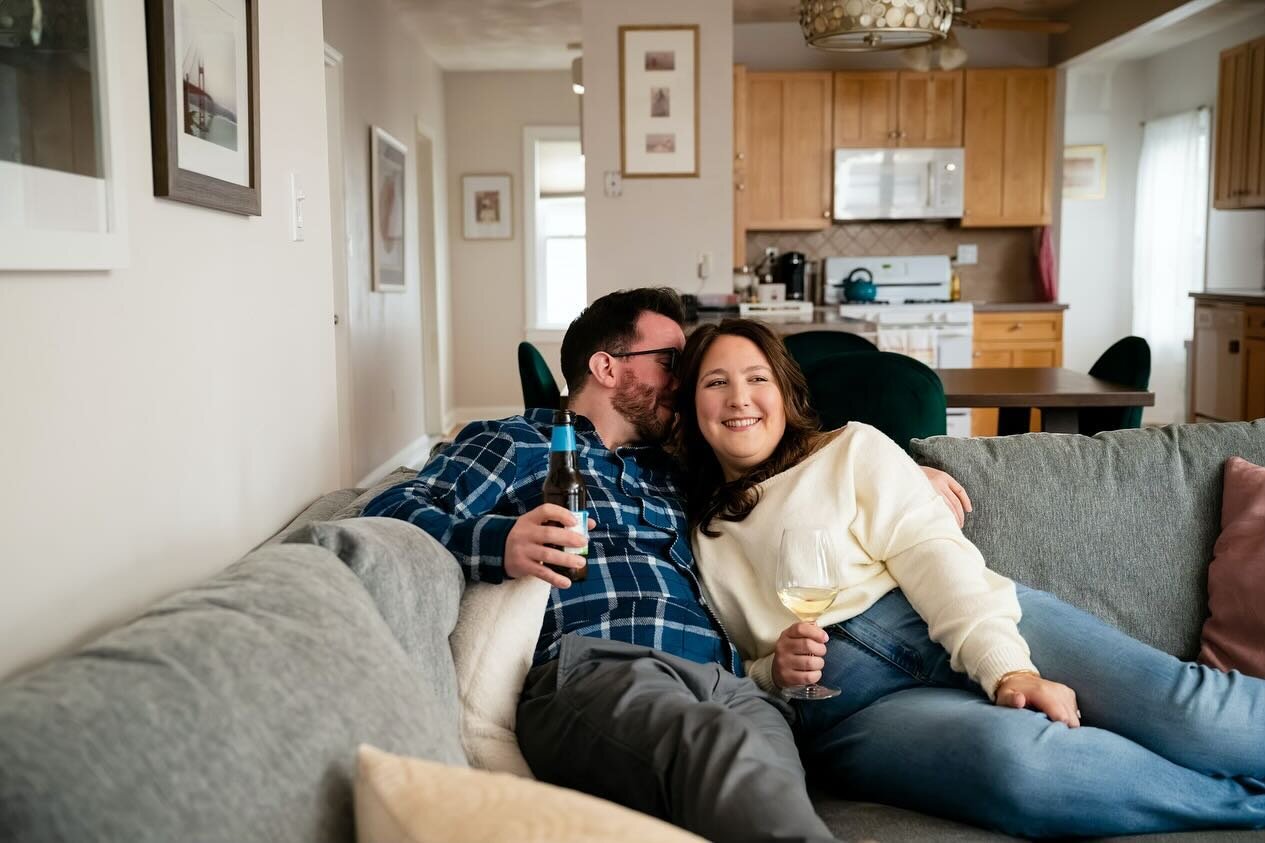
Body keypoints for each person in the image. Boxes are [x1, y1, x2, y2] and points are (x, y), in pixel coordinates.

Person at [361, 288, 969, 843]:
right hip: (598, 670)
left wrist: (900, 473)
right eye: (671, 362)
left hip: (732, 685)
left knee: (771, 779)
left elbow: (785, 466)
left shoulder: (680, 467)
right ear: (606, 367)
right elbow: (392, 508)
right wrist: (499, 542)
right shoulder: (520, 442)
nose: (686, 381)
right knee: (725, 753)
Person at [670, 317, 1265, 839]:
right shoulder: (694, 530)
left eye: (757, 379)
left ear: (785, 391)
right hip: (856, 712)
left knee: (1195, 717)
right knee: (1026, 768)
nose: (738, 398)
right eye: (715, 382)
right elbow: (729, 660)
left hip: (951, 613)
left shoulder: (851, 450)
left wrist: (1008, 668)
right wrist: (773, 671)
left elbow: (935, 556)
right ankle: (1245, 804)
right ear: (692, 405)